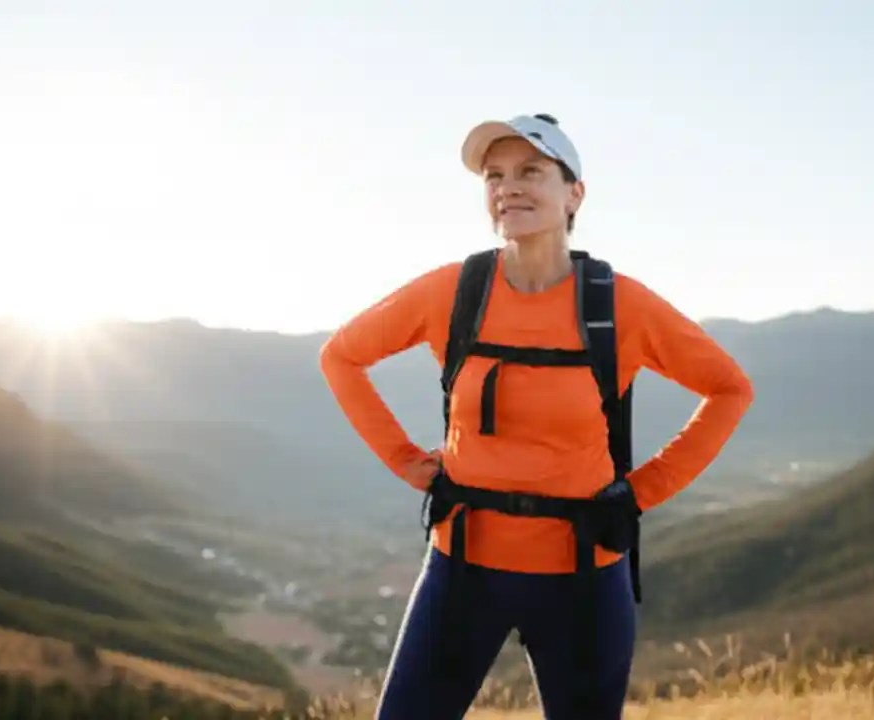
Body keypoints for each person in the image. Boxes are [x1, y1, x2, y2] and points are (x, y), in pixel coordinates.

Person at [319, 113, 754, 719]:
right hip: (461, 568)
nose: (508, 186)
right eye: (494, 175)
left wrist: (643, 491)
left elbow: (729, 388)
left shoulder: (616, 303)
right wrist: (405, 461)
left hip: (583, 576)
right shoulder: (455, 291)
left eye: (531, 171)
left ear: (574, 192)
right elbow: (341, 356)